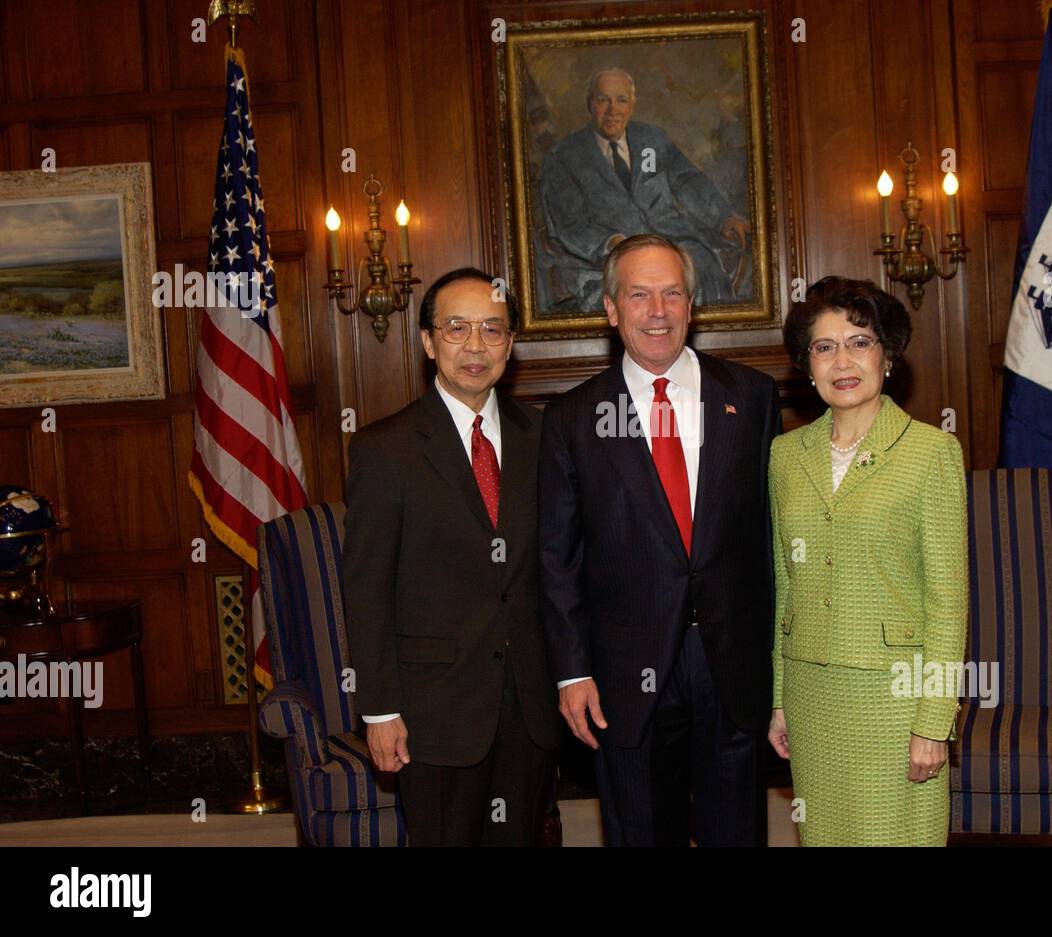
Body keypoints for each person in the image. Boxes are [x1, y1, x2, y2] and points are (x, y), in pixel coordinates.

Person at [539, 234, 781, 845]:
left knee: (737, 832)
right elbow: (557, 559)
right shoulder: (571, 417)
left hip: (732, 665)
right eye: (639, 294)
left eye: (673, 293)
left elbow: (772, 538)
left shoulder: (751, 398)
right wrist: (572, 674)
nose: (658, 310)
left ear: (691, 307)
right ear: (612, 309)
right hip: (624, 671)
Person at [342, 268, 560, 845]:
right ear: (428, 341)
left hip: (529, 708)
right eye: (457, 328)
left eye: (492, 329)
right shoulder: (383, 449)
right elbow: (366, 589)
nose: (475, 345)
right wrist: (379, 709)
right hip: (433, 714)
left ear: (510, 345)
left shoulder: (543, 437)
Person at [766, 276, 969, 845]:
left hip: (894, 700)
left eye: (859, 341)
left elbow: (948, 605)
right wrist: (780, 700)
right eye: (824, 347)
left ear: (887, 354)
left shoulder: (931, 452)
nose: (842, 361)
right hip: (811, 698)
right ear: (808, 365)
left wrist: (935, 721)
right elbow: (786, 584)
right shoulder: (785, 455)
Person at [537, 66, 751, 311]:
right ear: (590, 104)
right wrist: (611, 243)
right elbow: (570, 224)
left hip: (676, 242)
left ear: (633, 104)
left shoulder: (652, 139)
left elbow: (688, 181)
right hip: (613, 256)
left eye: (621, 100)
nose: (612, 110)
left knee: (705, 270)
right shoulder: (563, 157)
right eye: (603, 100)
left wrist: (723, 218)